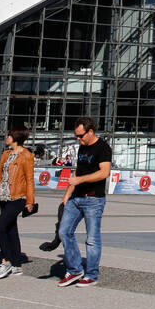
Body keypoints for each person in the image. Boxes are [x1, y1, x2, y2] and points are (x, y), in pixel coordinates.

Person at [57, 117, 112, 287]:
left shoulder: (103, 148)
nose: (78, 139)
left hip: (93, 198)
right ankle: (75, 270)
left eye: (81, 136)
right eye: (76, 136)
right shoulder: (82, 148)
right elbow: (77, 172)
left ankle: (91, 274)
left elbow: (104, 173)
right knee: (64, 232)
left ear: (90, 132)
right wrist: (67, 195)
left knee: (92, 238)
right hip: (76, 198)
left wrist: (80, 180)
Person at [0, 126, 37, 279]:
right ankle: (16, 265)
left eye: (9, 135)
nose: (6, 138)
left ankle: (7, 260)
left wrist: (30, 201)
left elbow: (29, 179)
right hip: (4, 196)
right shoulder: (6, 154)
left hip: (18, 197)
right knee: (10, 229)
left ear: (16, 137)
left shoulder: (26, 156)